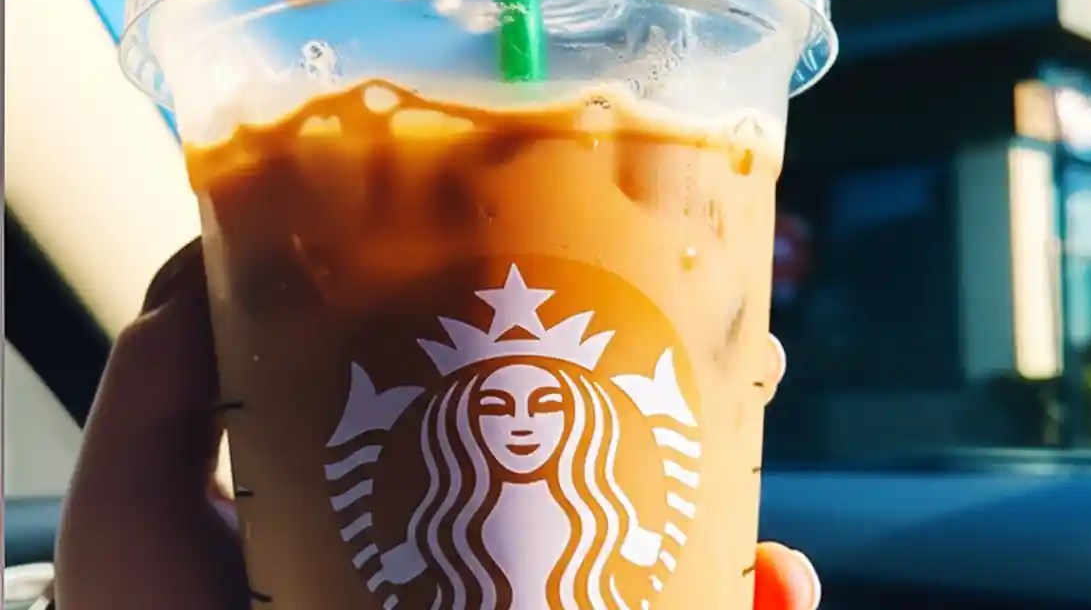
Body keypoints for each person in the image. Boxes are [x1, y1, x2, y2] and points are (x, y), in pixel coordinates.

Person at [53, 241, 822, 610]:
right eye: (494, 403)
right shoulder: (421, 539)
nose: (521, 423)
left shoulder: (616, 537)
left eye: (547, 403)